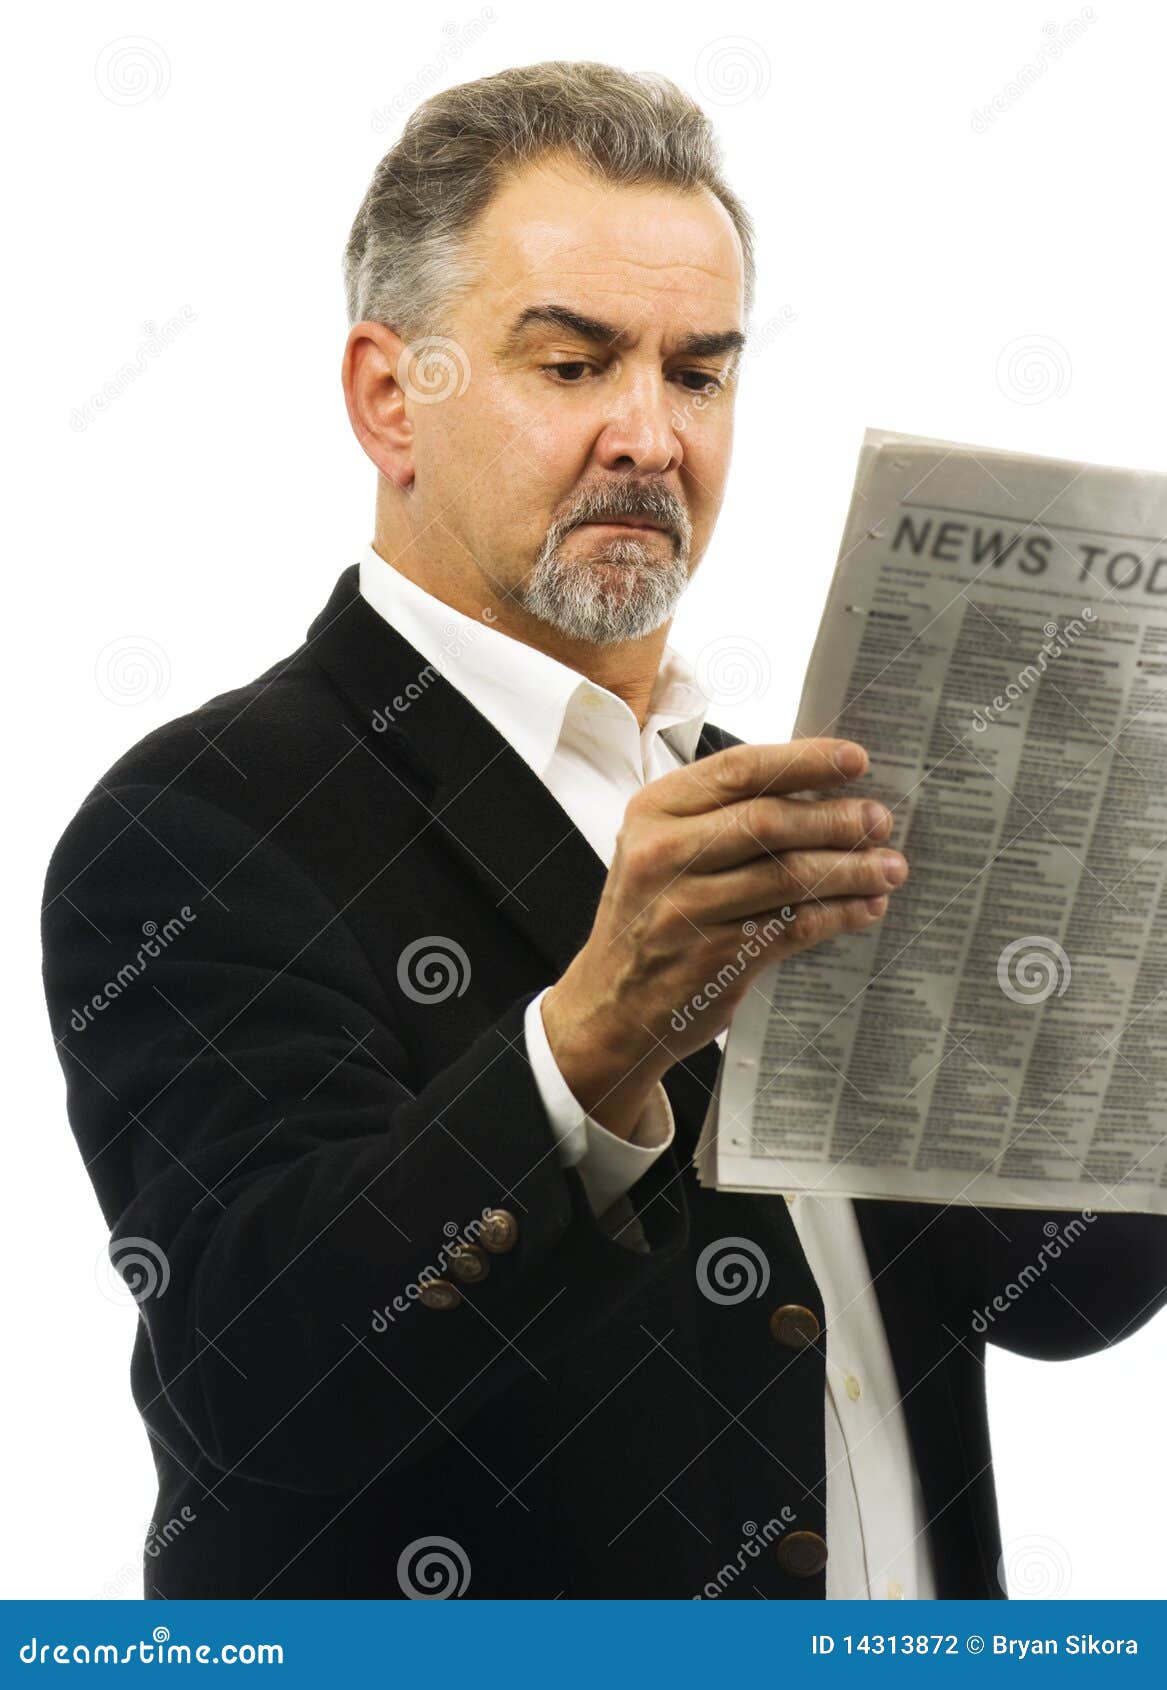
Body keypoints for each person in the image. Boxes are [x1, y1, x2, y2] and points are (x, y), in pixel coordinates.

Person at [41, 60, 1165, 1601]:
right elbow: (257, 1378)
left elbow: (1052, 1297)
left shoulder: (803, 809)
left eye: (698, 374)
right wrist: (588, 1042)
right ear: (390, 397)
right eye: (572, 365)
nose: (650, 433)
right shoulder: (197, 821)